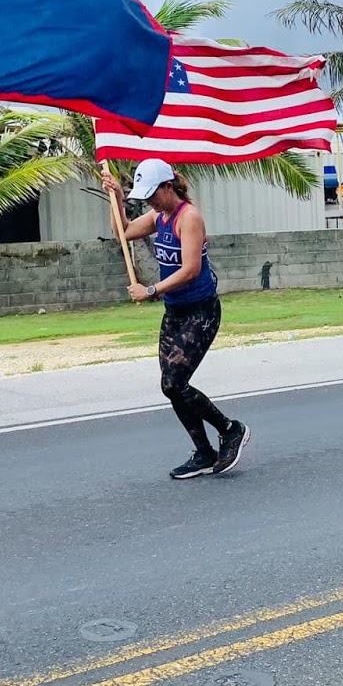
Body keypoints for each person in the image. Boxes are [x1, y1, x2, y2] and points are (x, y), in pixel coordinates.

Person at [102, 158, 249, 480]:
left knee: (174, 383)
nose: (150, 200)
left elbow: (191, 269)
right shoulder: (159, 216)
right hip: (175, 311)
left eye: (153, 193)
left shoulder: (189, 217)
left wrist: (151, 289)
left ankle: (230, 429)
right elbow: (124, 233)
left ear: (169, 186)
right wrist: (115, 198)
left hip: (201, 311)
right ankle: (205, 453)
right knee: (171, 387)